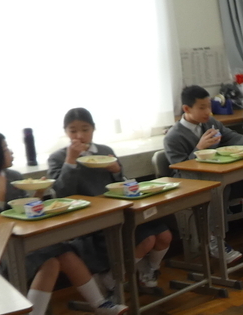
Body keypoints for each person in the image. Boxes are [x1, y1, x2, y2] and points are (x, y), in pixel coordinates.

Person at [0, 129, 127, 315]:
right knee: (50, 261)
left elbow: (23, 212)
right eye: (4, 148)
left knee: (64, 251)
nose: (10, 152)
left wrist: (38, 194)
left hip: (25, 243)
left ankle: (100, 305)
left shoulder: (14, 176)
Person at [47, 107, 173, 293]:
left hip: (118, 210)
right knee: (146, 240)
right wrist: (71, 160)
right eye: (73, 130)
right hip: (88, 217)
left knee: (164, 235)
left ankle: (148, 272)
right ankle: (113, 279)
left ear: (93, 129)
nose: (79, 135)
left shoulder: (105, 151)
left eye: (85, 129)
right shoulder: (58, 158)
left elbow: (122, 184)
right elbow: (63, 192)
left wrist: (116, 171)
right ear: (65, 132)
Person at [163, 85, 243, 264]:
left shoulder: (211, 123)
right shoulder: (173, 137)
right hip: (194, 185)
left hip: (219, 179)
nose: (208, 111)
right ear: (186, 109)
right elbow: (181, 169)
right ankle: (215, 240)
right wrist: (199, 148)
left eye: (209, 106)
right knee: (221, 187)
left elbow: (234, 137)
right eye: (202, 108)